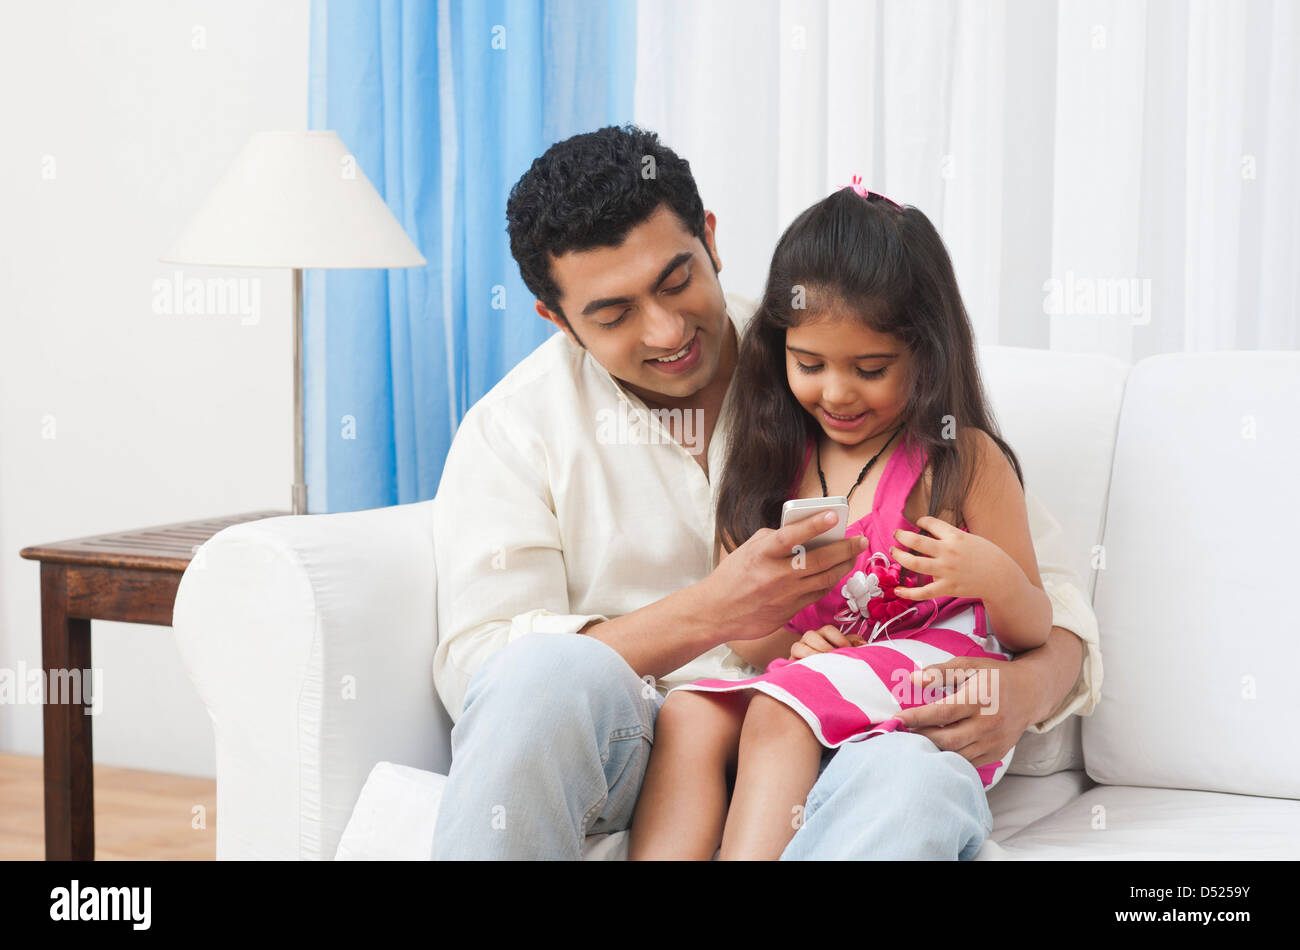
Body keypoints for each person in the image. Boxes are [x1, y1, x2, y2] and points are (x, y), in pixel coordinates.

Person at [430, 124, 1101, 860]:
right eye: (614, 315)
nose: (665, 331)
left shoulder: (823, 337)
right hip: (642, 747)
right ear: (555, 319)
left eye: (676, 279)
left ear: (710, 238)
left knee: (916, 786)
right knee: (541, 670)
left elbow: (1053, 598)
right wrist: (710, 613)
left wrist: (1023, 693)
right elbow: (482, 670)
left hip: (845, 737)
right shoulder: (513, 429)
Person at [628, 182, 1051, 860]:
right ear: (779, 349)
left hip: (935, 687)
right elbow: (756, 634)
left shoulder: (962, 461)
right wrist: (797, 648)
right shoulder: (771, 462)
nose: (836, 392)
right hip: (828, 685)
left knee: (780, 706)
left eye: (871, 368)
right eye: (810, 364)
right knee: (690, 713)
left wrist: (990, 576)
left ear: (926, 354)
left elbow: (1033, 626)